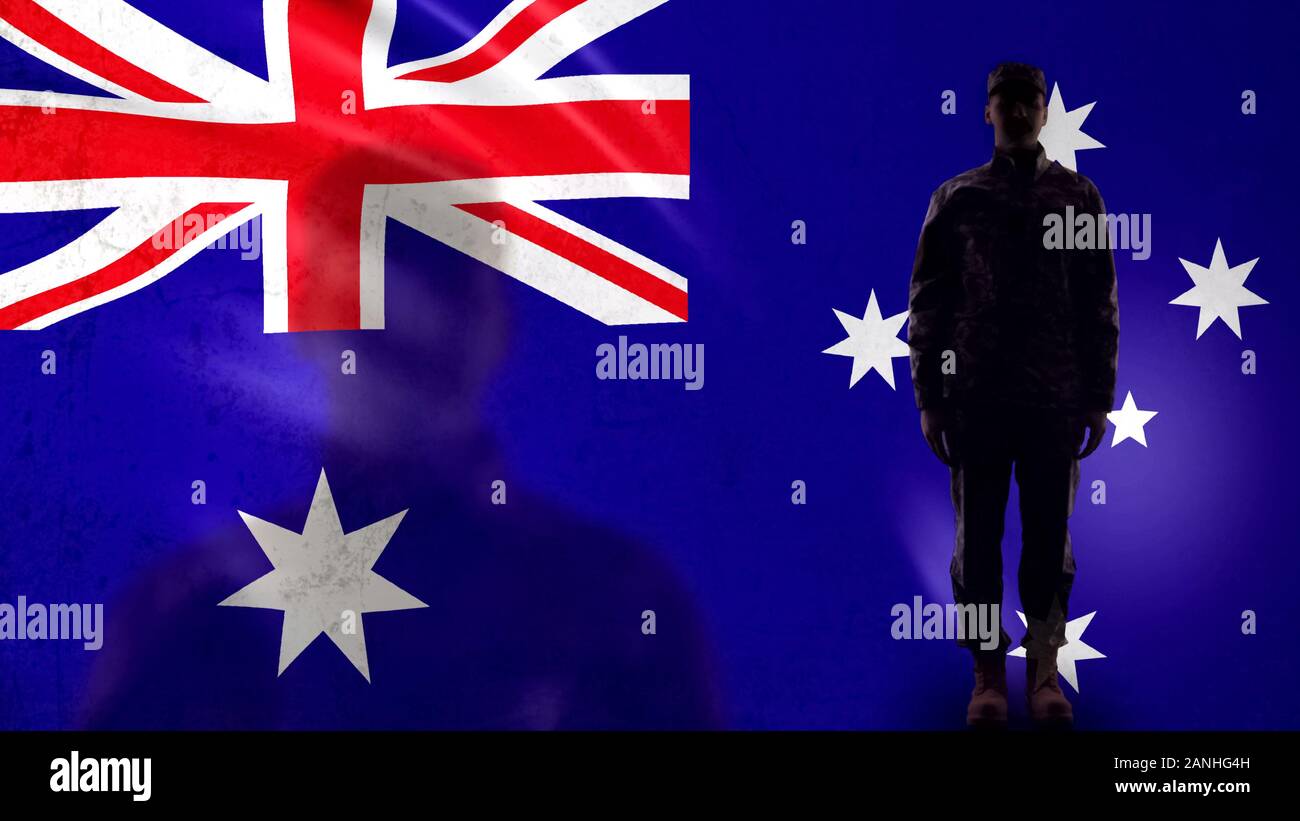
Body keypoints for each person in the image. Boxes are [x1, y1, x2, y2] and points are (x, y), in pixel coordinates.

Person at [906, 62, 1119, 728]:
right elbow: (930, 302)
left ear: (1044, 111)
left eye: (1030, 100)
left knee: (1049, 542)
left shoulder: (1078, 197)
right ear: (987, 112)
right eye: (1006, 100)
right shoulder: (957, 198)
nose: (1019, 111)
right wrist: (930, 395)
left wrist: (1098, 394)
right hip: (977, 399)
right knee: (976, 543)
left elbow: (1097, 300)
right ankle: (987, 677)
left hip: (1055, 399)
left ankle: (1045, 673)